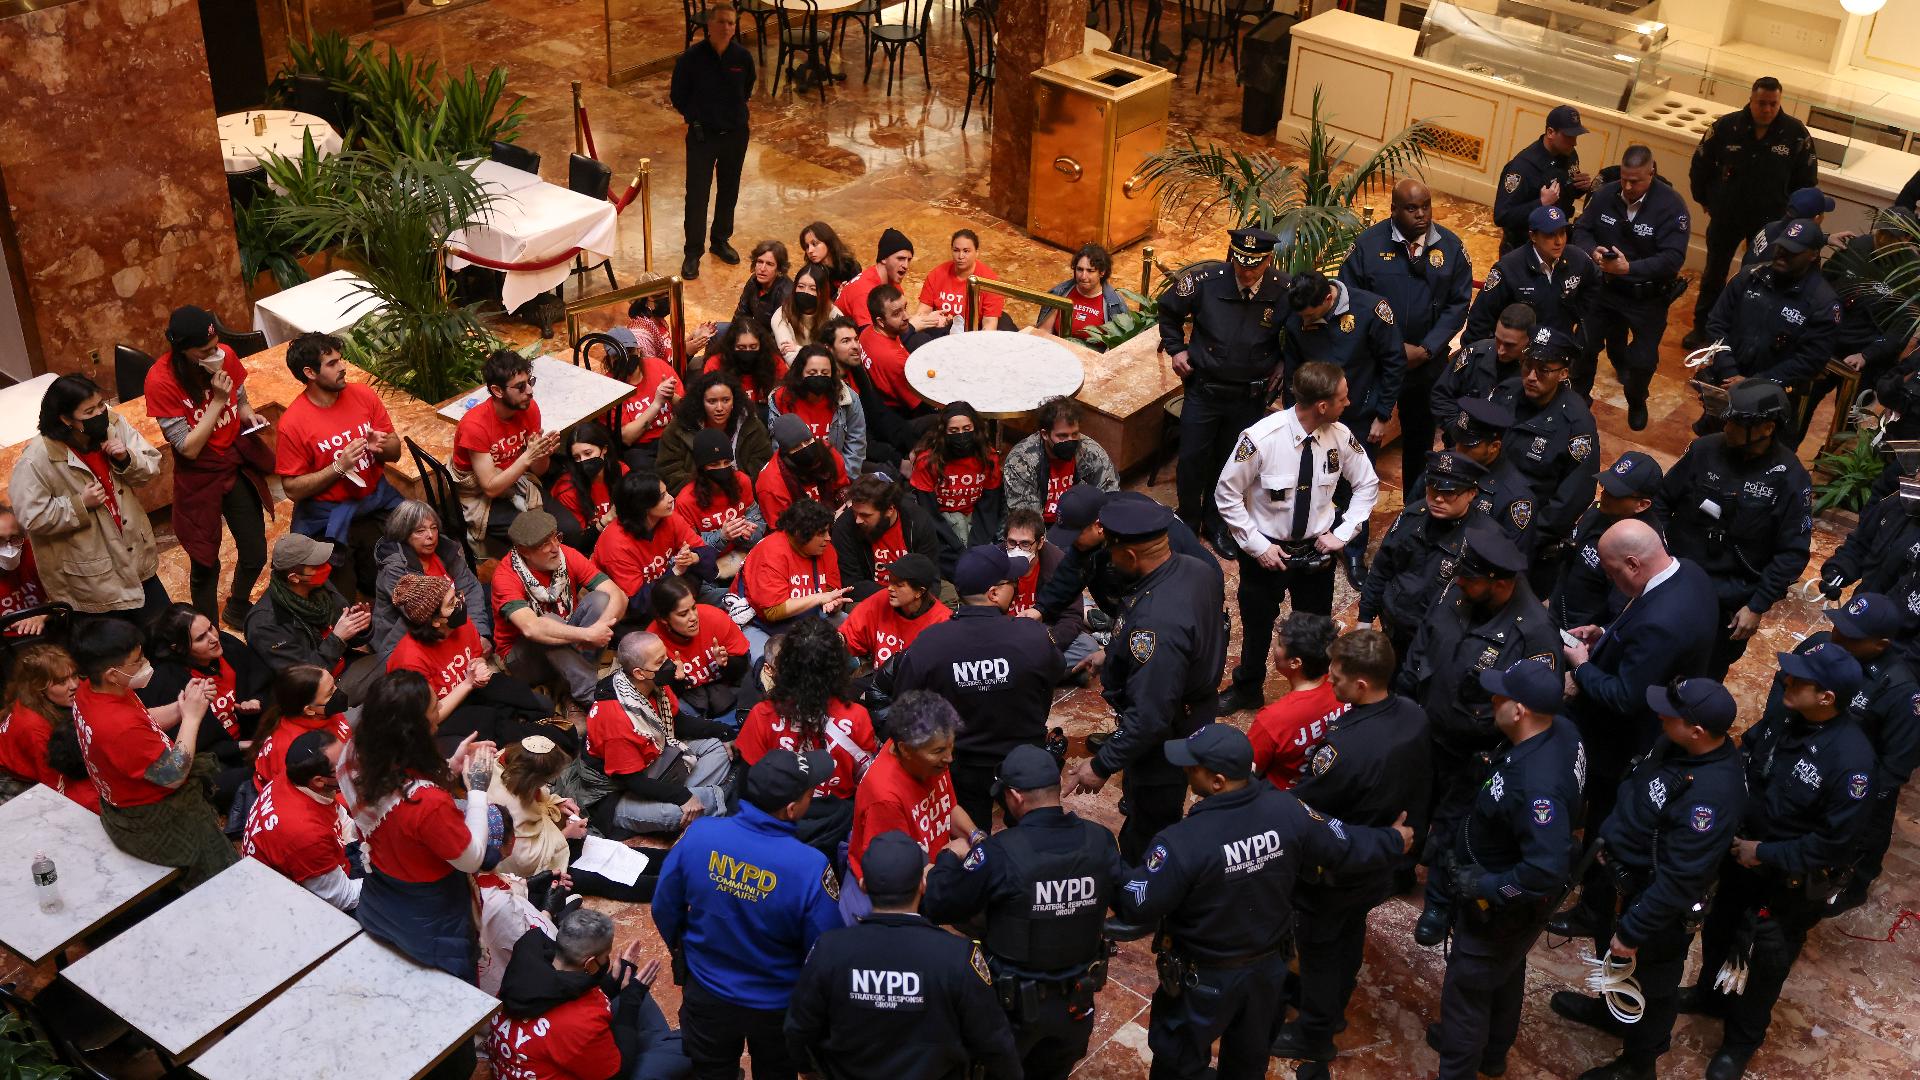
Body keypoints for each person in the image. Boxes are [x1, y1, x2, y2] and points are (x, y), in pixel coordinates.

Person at [1114, 724, 1412, 1080]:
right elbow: (1344, 844)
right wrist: (1393, 839)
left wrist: (1104, 861)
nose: (1186, 770)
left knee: (1179, 1062)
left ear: (1218, 781)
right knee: (1248, 1061)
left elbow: (1137, 903)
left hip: (1203, 979)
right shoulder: (1289, 810)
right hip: (1268, 972)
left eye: (1193, 766)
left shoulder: (1181, 843)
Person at [1689, 644, 1872, 1080]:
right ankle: (1708, 997)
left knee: (1765, 957)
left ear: (1826, 696)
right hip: (1740, 858)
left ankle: (1741, 1040)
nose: (1786, 681)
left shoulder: (1851, 763)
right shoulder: (1787, 718)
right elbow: (1750, 752)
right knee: (1719, 928)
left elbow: (1834, 844)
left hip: (1786, 881)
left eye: (1799, 679)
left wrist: (1764, 853)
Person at [1549, 678, 1746, 1080]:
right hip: (1621, 880)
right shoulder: (1677, 744)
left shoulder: (1711, 795)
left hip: (1654, 907)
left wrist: (1634, 931)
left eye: (1670, 714)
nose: (1660, 715)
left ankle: (1639, 1063)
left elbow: (1680, 878)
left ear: (1697, 730)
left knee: (1652, 986)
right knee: (1613, 956)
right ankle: (1611, 1013)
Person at [1397, 524, 1564, 945]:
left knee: (1455, 830)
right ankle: (1399, 870)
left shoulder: (1535, 634)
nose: (1458, 582)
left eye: (1469, 579)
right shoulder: (1459, 591)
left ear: (1501, 584)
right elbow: (1423, 641)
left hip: (1475, 748)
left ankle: (1438, 901)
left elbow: (1532, 708)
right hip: (1425, 728)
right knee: (1414, 804)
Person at [1273, 629, 1431, 1071]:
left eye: (1337, 678)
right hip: (1382, 856)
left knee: (1321, 947)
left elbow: (1305, 806)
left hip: (1337, 868)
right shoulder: (1414, 715)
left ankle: (1316, 1031)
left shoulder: (1345, 749)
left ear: (1361, 684)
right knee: (1349, 934)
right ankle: (1334, 1006)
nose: (1331, 684)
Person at [919, 744, 1122, 1080]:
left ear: (1014, 797)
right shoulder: (1100, 841)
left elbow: (941, 902)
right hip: (1077, 1004)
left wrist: (947, 859)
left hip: (1012, 1012)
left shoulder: (1001, 853)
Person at [1427, 659, 1584, 1080]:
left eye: (1500, 696)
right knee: (1507, 969)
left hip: (1499, 908)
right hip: (1510, 913)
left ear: (1519, 711)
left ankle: (1460, 1067)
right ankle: (1494, 1055)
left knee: (1467, 992)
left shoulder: (1537, 789)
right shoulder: (1562, 731)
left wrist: (1490, 886)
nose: (1492, 700)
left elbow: (1544, 870)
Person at [654, 747, 844, 1080]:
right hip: (776, 1005)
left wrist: (685, 949)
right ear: (791, 808)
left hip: (706, 991)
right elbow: (825, 948)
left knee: (711, 1071)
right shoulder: (809, 867)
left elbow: (663, 906)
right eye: (810, 789)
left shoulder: (700, 835)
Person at [1063, 497, 1227, 861]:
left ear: (1131, 556)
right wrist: (1116, 652)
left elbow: (1150, 716)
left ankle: (1142, 899)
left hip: (1168, 732)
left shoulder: (1157, 624)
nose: (1108, 557)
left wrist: (1102, 764)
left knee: (1151, 821)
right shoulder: (1193, 567)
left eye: (1112, 550)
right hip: (1188, 704)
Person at [787, 830, 1022, 1080]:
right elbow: (993, 1041)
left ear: (863, 884)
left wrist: (809, 1070)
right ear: (922, 885)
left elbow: (799, 1028)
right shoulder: (957, 957)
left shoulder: (829, 950)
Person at [1214, 362, 1379, 713]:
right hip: (1267, 553)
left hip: (1315, 554)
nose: (1347, 404)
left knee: (1316, 631)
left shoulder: (1338, 436)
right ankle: (1247, 689)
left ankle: (1313, 697)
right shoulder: (1261, 439)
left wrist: (1343, 532)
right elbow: (1226, 494)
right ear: (1322, 405)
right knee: (1257, 625)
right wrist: (1257, 546)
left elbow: (1367, 483)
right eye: (1342, 398)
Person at [1562, 520, 1718, 834]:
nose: (1610, 578)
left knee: (1603, 805)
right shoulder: (1688, 571)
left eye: (1612, 572)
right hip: (1658, 690)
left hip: (1623, 738)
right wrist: (1605, 634)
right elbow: (1640, 630)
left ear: (1633, 564)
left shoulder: (1660, 624)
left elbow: (1624, 697)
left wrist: (1581, 666)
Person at [894, 545, 1063, 827]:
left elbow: (905, 706)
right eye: (1012, 583)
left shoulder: (929, 643)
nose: (1018, 590)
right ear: (993, 593)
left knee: (970, 842)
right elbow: (1055, 673)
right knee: (1031, 838)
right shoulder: (1032, 636)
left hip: (959, 766)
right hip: (1024, 764)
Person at [1654, 380, 1811, 678]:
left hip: (1727, 594)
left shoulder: (1789, 477)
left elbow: (1792, 553)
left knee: (1702, 675)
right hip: (1675, 575)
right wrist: (1656, 557)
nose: (1727, 428)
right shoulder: (1704, 449)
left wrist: (1757, 605)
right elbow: (1662, 500)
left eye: (1738, 423)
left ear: (1767, 428)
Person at [349, 670, 494, 986]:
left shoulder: (354, 753)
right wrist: (478, 789)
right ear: (414, 731)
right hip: (429, 917)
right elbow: (471, 858)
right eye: (434, 710)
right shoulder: (426, 802)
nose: (439, 716)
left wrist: (449, 767)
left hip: (379, 894)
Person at [71, 618, 237, 888]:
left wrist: (181, 706)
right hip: (153, 818)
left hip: (126, 795)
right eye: (136, 661)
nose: (145, 664)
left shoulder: (90, 691)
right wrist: (192, 719)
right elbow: (173, 774)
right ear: (112, 673)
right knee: (217, 878)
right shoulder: (117, 726)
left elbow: (143, 720)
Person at [1338, 178, 1474, 490]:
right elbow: (1351, 301)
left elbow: (1458, 304)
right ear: (1394, 209)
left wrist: (1427, 349)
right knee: (1364, 436)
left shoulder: (1452, 248)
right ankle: (1351, 500)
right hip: (1377, 363)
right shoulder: (1367, 247)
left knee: (1420, 438)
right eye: (1411, 208)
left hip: (1426, 366)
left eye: (1425, 206)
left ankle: (1413, 508)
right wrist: (1391, 348)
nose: (1421, 214)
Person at [1156, 226, 1288, 541]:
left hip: (1249, 396)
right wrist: (1176, 349)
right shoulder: (1207, 281)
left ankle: (1216, 523)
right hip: (1205, 389)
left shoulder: (1283, 290)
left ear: (1268, 260)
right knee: (1191, 459)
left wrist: (1284, 363)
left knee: (1230, 463)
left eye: (1254, 264)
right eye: (1240, 262)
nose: (1245, 271)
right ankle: (1187, 520)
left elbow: (1298, 332)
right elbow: (1168, 310)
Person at [147, 305, 271, 628]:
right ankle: (208, 632)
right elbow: (188, 447)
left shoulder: (226, 355)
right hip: (198, 476)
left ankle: (238, 604)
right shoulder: (160, 381)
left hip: (233, 462)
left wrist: (249, 415)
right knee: (205, 562)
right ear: (183, 351)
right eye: (205, 351)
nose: (215, 354)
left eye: (215, 346)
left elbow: (240, 400)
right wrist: (217, 400)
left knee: (255, 550)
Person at [11, 373, 169, 622]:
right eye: (88, 412)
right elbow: (31, 517)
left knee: (164, 632)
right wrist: (78, 504)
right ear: (66, 419)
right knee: (122, 652)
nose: (100, 414)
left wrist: (126, 458)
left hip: (135, 558)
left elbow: (151, 466)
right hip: (94, 580)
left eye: (100, 405)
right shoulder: (38, 458)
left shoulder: (114, 424)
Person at [1684, 76, 1820, 350]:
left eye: (1773, 104)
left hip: (1770, 223)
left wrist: (1793, 217)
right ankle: (1703, 328)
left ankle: (1740, 332)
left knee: (1759, 277)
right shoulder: (1726, 127)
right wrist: (1706, 200)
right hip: (1727, 216)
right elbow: (1700, 164)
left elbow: (1806, 180)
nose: (1767, 109)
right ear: (1751, 100)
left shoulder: (1795, 133)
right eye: (1762, 103)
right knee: (1714, 273)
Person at [1806, 595, 1920, 913]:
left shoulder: (1901, 692)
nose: (1837, 637)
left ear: (1880, 644)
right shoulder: (1829, 653)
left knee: (1865, 835)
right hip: (1821, 766)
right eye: (1839, 626)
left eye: (1850, 635)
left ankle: (1855, 884)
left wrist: (1858, 801)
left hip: (1864, 784)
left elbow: (1897, 765)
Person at [565, 631, 734, 839]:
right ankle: (713, 797)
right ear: (639, 673)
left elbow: (677, 722)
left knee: (719, 747)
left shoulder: (653, 685)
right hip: (617, 792)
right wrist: (682, 796)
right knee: (676, 811)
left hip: (655, 759)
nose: (670, 664)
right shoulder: (617, 720)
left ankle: (701, 801)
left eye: (666, 656)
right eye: (661, 661)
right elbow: (633, 782)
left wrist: (723, 731)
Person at [489, 907, 689, 1080]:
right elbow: (618, 1074)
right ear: (590, 963)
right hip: (601, 1066)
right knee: (689, 1044)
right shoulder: (580, 1021)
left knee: (630, 984)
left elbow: (566, 995)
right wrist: (630, 1001)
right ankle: (663, 1044)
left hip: (545, 1058)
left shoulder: (523, 974)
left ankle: (658, 1044)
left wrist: (611, 984)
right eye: (605, 956)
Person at [274, 332, 403, 599]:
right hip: (328, 517)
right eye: (332, 363)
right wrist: (338, 467)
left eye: (340, 360)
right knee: (338, 594)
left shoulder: (363, 395)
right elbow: (292, 489)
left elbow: (395, 452)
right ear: (309, 372)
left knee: (391, 577)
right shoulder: (293, 423)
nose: (343, 367)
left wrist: (382, 446)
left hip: (373, 503)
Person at [1571, 145, 1692, 426]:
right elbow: (1582, 229)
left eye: (1635, 180)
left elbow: (1672, 258)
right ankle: (1577, 400)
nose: (1628, 186)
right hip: (1604, 290)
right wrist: (1593, 252)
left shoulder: (1672, 206)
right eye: (1625, 178)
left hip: (1646, 298)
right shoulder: (1606, 194)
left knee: (1641, 362)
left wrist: (1630, 268)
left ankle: (1637, 399)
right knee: (1584, 346)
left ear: (1652, 172)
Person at [735, 622, 876, 855]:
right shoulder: (857, 717)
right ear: (837, 668)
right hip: (836, 828)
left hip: (776, 826)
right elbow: (865, 783)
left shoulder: (762, 715)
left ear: (786, 667)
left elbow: (748, 787)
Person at [846, 691, 979, 919]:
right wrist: (950, 862)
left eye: (951, 747)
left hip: (932, 868)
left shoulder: (928, 760)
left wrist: (977, 838)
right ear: (905, 749)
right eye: (939, 751)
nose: (949, 759)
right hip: (906, 888)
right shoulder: (884, 798)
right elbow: (898, 872)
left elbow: (949, 808)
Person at [388, 573, 558, 751]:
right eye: (451, 603)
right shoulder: (410, 661)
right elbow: (428, 718)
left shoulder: (459, 624)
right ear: (436, 621)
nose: (460, 602)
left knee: (540, 704)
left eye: (455, 595)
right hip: (443, 714)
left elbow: (477, 655)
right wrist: (468, 683)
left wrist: (479, 664)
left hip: (473, 688)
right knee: (496, 725)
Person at [1487, 327, 1599, 593]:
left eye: (1544, 370)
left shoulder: (1576, 423)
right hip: (1484, 510)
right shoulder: (1506, 393)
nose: (1531, 377)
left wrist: (1528, 535)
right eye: (1528, 366)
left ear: (1563, 373)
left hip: (1528, 534)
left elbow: (1575, 495)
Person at [495, 510, 629, 726]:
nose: (554, 547)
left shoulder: (565, 554)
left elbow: (618, 595)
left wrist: (600, 627)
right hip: (525, 660)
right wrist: (588, 634)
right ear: (524, 551)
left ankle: (570, 691)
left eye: (556, 537)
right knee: (548, 623)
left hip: (571, 642)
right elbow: (531, 628)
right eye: (543, 544)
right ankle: (593, 697)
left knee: (601, 601)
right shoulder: (505, 576)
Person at [1700, 220, 1841, 422]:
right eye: (1780, 247)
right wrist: (1729, 372)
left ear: (1813, 254)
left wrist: (1754, 384)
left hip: (1775, 399)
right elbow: (1717, 324)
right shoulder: (1749, 276)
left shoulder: (1823, 303)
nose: (1781, 254)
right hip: (1726, 383)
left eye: (1793, 251)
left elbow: (1811, 359)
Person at [141, 602, 269, 812]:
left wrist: (257, 700)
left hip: (253, 736)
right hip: (216, 758)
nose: (213, 638)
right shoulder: (167, 682)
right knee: (229, 783)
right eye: (201, 638)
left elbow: (264, 681)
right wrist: (245, 746)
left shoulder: (227, 645)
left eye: (211, 627)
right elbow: (190, 746)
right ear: (179, 648)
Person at [1359, 449, 1486, 660]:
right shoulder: (1412, 516)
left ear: (1471, 493)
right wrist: (1365, 617)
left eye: (1449, 493)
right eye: (1431, 489)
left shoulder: (1483, 539)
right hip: (1395, 626)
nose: (1437, 499)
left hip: (1436, 643)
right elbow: (1382, 567)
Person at [246, 533, 385, 703]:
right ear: (294, 578)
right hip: (316, 694)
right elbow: (304, 681)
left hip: (342, 664)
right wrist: (338, 639)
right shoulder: (265, 624)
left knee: (398, 665)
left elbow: (352, 640)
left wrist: (360, 626)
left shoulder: (318, 586)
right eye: (316, 565)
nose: (325, 567)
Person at [671, 0, 754, 281]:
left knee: (729, 190)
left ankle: (720, 240)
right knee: (697, 195)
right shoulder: (691, 59)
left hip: (735, 135)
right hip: (702, 137)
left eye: (731, 23)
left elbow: (747, 90)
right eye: (722, 22)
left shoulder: (742, 58)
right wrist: (696, 117)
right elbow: (678, 96)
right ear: (709, 25)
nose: (727, 28)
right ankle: (693, 251)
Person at [243, 728, 360, 911]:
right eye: (345, 765)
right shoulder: (305, 834)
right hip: (292, 906)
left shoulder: (293, 776)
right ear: (319, 781)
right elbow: (344, 898)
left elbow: (338, 817)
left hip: (314, 862)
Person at [455, 350, 560, 553]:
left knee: (569, 528)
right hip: (482, 492)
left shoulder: (528, 408)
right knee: (537, 537)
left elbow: (539, 472)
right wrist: (528, 457)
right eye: (520, 387)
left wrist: (542, 454)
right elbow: (490, 488)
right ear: (497, 391)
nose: (529, 391)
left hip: (516, 478)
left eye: (530, 382)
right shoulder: (475, 425)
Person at [1551, 451, 1663, 630]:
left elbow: (1619, 610)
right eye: (1606, 486)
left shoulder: (1642, 547)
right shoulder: (1598, 511)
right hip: (1557, 609)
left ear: (1642, 504)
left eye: (1616, 493)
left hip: (1584, 634)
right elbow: (1569, 555)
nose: (1605, 494)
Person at [372, 500, 492, 654]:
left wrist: (479, 632)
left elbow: (469, 588)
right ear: (404, 534)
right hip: (412, 635)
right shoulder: (395, 569)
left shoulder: (444, 549)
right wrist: (470, 639)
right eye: (420, 531)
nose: (430, 536)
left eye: (434, 528)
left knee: (494, 596)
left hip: (452, 617)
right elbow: (427, 618)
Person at [1466, 205, 1597, 346]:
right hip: (1521, 354)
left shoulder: (1577, 258)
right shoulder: (1508, 269)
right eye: (1550, 235)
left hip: (1559, 348)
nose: (1559, 241)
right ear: (1533, 236)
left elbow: (1594, 282)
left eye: (1562, 233)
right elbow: (1480, 318)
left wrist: (1575, 316)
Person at [1247, 613, 1346, 791]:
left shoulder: (1271, 720)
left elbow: (1248, 772)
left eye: (1278, 644)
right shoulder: (1345, 690)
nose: (1273, 645)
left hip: (1285, 799)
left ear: (1294, 662)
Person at [595, 471, 710, 615]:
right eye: (662, 496)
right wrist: (675, 571)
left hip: (672, 596)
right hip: (624, 615)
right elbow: (637, 604)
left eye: (667, 492)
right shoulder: (615, 543)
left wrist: (694, 557)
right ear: (643, 506)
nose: (671, 498)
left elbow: (708, 558)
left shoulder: (669, 518)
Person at [0, 643, 98, 810]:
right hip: (13, 780)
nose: (74, 685)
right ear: (39, 688)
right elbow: (54, 786)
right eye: (61, 682)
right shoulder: (34, 727)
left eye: (74, 676)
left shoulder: (40, 700)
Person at [909, 402, 1004, 571]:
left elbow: (988, 507)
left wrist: (975, 547)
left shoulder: (988, 457)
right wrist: (959, 549)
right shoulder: (927, 462)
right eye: (954, 431)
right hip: (943, 523)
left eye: (967, 428)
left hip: (974, 518)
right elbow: (929, 513)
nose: (961, 435)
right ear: (944, 432)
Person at [649, 575, 754, 724]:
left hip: (727, 687)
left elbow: (744, 667)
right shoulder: (652, 644)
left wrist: (726, 663)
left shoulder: (714, 617)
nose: (693, 617)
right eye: (683, 614)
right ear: (664, 619)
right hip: (690, 700)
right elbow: (660, 697)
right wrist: (675, 680)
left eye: (693, 607)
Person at [1491, 103, 1593, 254]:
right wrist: (1541, 203)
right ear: (1550, 132)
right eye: (1568, 136)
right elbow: (1502, 216)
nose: (1574, 142)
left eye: (1576, 136)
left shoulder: (1570, 154)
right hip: (1523, 248)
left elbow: (1564, 193)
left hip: (1556, 242)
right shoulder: (1522, 167)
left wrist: (1579, 188)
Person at [739, 499, 852, 631]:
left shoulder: (827, 550)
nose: (828, 538)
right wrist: (819, 598)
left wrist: (833, 603)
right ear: (799, 533)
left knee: (849, 628)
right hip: (762, 624)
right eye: (821, 533)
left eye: (828, 531)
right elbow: (773, 611)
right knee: (770, 652)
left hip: (810, 618)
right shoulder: (771, 552)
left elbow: (830, 593)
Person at [1003, 396, 1118, 524]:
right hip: (1042, 528)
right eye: (1062, 436)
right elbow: (1027, 522)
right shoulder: (1021, 461)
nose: (1070, 440)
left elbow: (1110, 496)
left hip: (1079, 524)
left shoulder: (1091, 452)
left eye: (1074, 434)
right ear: (1045, 434)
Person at [1430, 303, 1537, 440]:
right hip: (1464, 445)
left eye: (1510, 345)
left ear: (1528, 341)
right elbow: (1441, 396)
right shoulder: (1473, 354)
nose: (1501, 350)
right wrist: (1458, 430)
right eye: (1498, 340)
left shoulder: (1539, 372)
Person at [656, 370, 773, 495]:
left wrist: (736, 487)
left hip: (742, 494)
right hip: (697, 499)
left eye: (726, 400)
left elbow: (763, 465)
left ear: (734, 401)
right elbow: (669, 472)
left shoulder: (751, 425)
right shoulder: (679, 428)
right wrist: (706, 491)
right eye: (712, 401)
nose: (719, 408)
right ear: (701, 402)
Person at [831, 472, 942, 600]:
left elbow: (930, 572)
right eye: (855, 513)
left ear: (890, 509)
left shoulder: (917, 520)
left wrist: (914, 601)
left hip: (915, 593)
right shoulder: (845, 527)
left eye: (866, 515)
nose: (858, 520)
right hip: (871, 598)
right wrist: (896, 595)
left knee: (950, 602)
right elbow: (852, 585)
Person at [1454, 397, 1539, 557]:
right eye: (1458, 441)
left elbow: (1510, 562)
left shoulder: (1517, 499)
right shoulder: (1448, 461)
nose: (1458, 450)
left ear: (1494, 447)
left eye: (1468, 446)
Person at [768, 343, 867, 476]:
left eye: (825, 373)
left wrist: (843, 478)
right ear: (800, 373)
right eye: (812, 372)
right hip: (796, 475)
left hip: (836, 474)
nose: (819, 376)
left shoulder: (847, 398)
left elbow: (856, 442)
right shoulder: (780, 398)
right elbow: (778, 448)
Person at [675, 428, 766, 573]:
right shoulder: (685, 501)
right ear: (701, 467)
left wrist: (748, 533)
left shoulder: (742, 480)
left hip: (743, 555)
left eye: (726, 462)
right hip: (706, 566)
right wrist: (722, 536)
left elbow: (757, 520)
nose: (722, 468)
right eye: (714, 464)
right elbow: (691, 550)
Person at [837, 552, 948, 669]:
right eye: (890, 581)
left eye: (899, 585)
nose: (890, 588)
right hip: (879, 682)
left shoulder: (943, 622)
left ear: (919, 592)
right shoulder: (881, 599)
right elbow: (848, 636)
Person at [252, 664, 349, 792]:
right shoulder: (292, 750)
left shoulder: (325, 713)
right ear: (309, 710)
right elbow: (307, 798)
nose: (337, 692)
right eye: (330, 692)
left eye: (334, 684)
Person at [840, 228, 949, 335]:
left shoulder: (892, 284)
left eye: (909, 260)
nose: (906, 266)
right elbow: (872, 340)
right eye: (900, 258)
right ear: (883, 258)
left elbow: (898, 321)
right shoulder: (865, 292)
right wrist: (912, 326)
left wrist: (927, 320)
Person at [600, 327, 679, 472]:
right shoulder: (607, 387)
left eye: (629, 352)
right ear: (609, 360)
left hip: (673, 436)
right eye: (617, 356)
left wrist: (671, 396)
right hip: (641, 448)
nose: (625, 358)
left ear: (638, 350)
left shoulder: (658, 366)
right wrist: (657, 403)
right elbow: (627, 437)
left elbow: (688, 410)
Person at [758, 413, 851, 526]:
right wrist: (827, 521)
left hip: (836, 515)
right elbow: (782, 529)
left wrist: (848, 504)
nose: (805, 448)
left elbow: (842, 486)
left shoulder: (826, 451)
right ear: (785, 452)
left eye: (807, 441)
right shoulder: (771, 483)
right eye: (796, 447)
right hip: (800, 532)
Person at [549, 421, 621, 551]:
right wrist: (606, 520)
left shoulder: (621, 471)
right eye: (576, 457)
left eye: (588, 453)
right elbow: (579, 544)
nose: (582, 461)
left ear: (604, 449)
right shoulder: (567, 491)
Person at [917, 228, 1007, 329]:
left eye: (966, 251)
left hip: (975, 332)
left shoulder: (990, 281)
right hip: (941, 329)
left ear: (977, 253)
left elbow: (989, 323)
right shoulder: (936, 274)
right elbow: (922, 313)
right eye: (956, 250)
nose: (960, 256)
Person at [1038, 242, 1127, 340]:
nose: (1083, 276)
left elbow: (1118, 346)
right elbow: (1044, 331)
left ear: (1102, 272)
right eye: (1080, 269)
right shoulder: (1061, 293)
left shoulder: (1115, 305)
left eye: (1090, 271)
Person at [857, 285, 925, 412]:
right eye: (896, 314)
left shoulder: (867, 332)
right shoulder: (894, 359)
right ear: (880, 321)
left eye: (905, 308)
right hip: (899, 413)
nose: (906, 316)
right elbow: (919, 404)